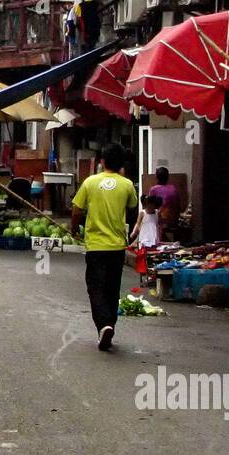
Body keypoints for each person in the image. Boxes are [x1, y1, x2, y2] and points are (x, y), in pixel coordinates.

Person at [70, 144, 139, 352]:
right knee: (112, 288)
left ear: (102, 162)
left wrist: (74, 230)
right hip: (117, 246)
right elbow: (133, 211)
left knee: (95, 287)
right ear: (121, 165)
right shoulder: (127, 185)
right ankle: (109, 324)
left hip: (96, 246)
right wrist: (130, 235)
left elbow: (76, 210)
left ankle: (104, 325)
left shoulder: (90, 182)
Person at [129, 193, 162, 285]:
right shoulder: (142, 213)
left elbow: (159, 224)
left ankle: (152, 275)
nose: (150, 207)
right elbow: (138, 224)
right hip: (144, 237)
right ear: (146, 204)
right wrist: (134, 233)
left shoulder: (157, 213)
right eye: (148, 205)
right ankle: (145, 274)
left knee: (154, 257)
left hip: (154, 237)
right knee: (144, 257)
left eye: (152, 205)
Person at [147, 166, 181, 232]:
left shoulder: (153, 190)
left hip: (159, 222)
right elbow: (178, 207)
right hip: (173, 221)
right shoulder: (173, 189)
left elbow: (150, 209)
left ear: (156, 177)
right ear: (168, 177)